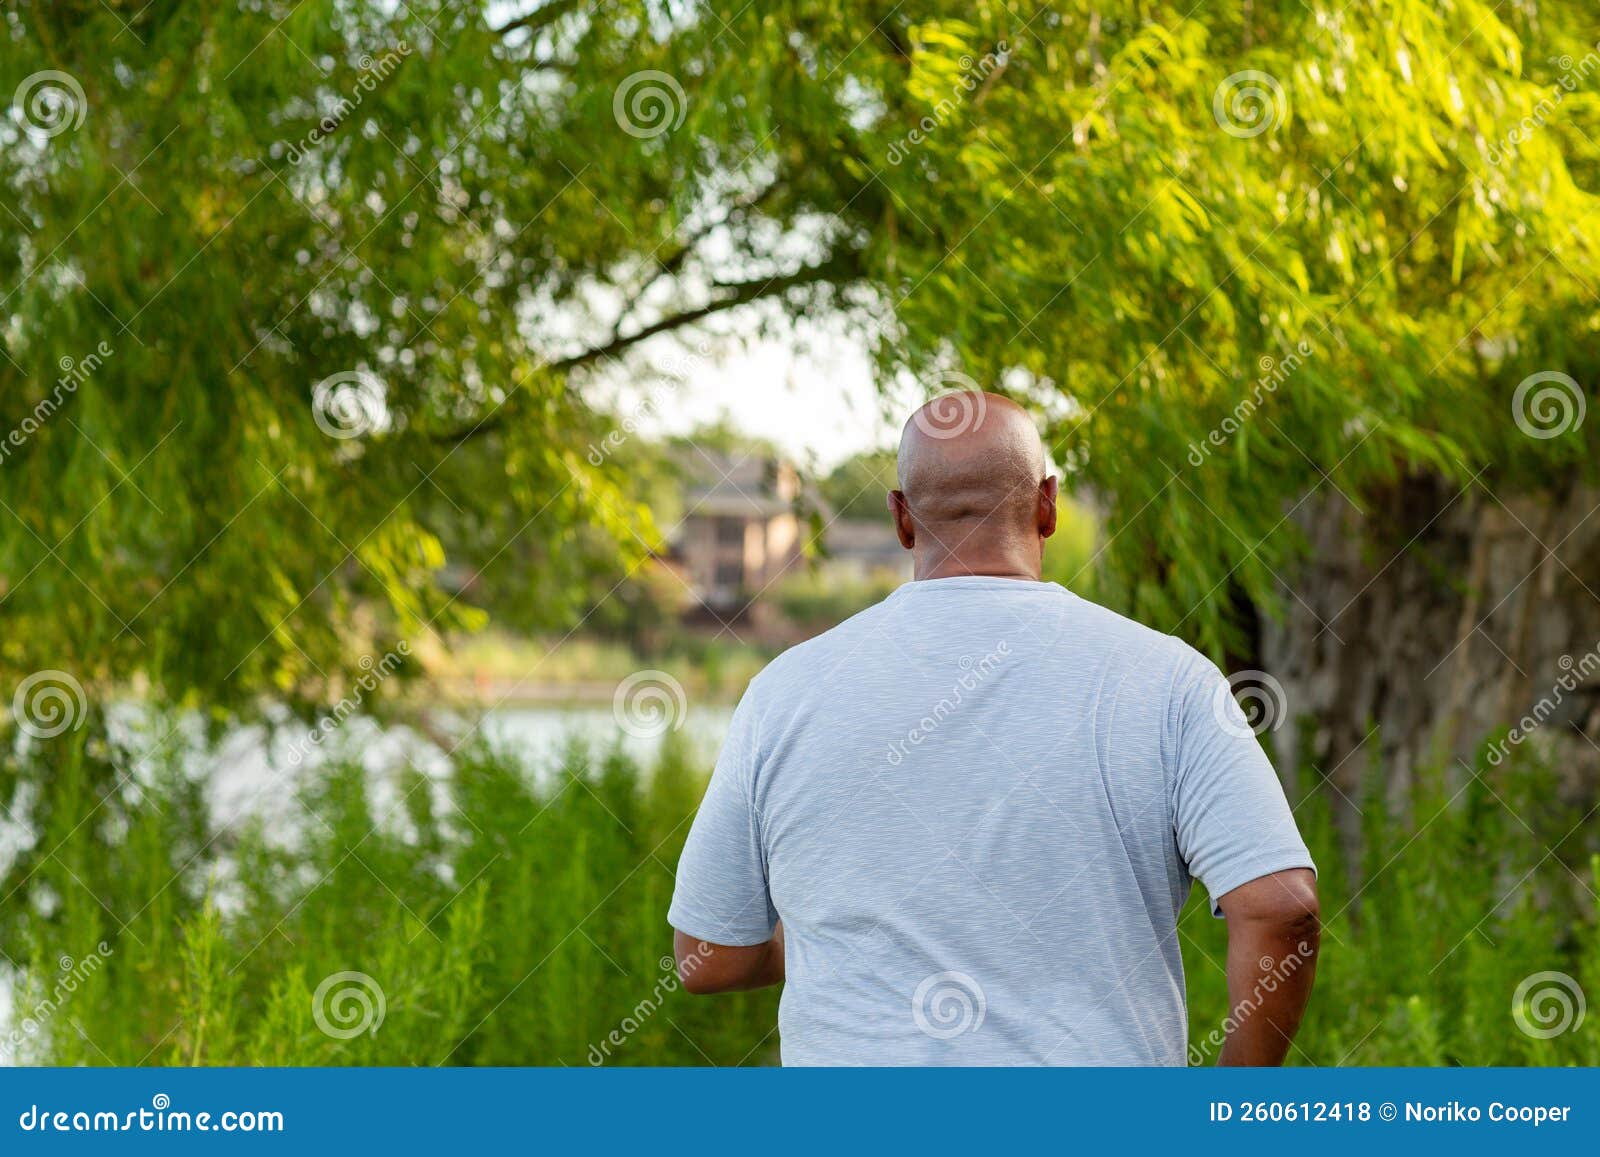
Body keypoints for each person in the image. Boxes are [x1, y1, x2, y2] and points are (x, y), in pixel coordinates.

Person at [668, 391, 1318, 1065]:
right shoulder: (1169, 680)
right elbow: (1282, 907)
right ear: (1048, 504)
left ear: (900, 517)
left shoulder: (785, 692)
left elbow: (707, 957)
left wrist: (834, 932)